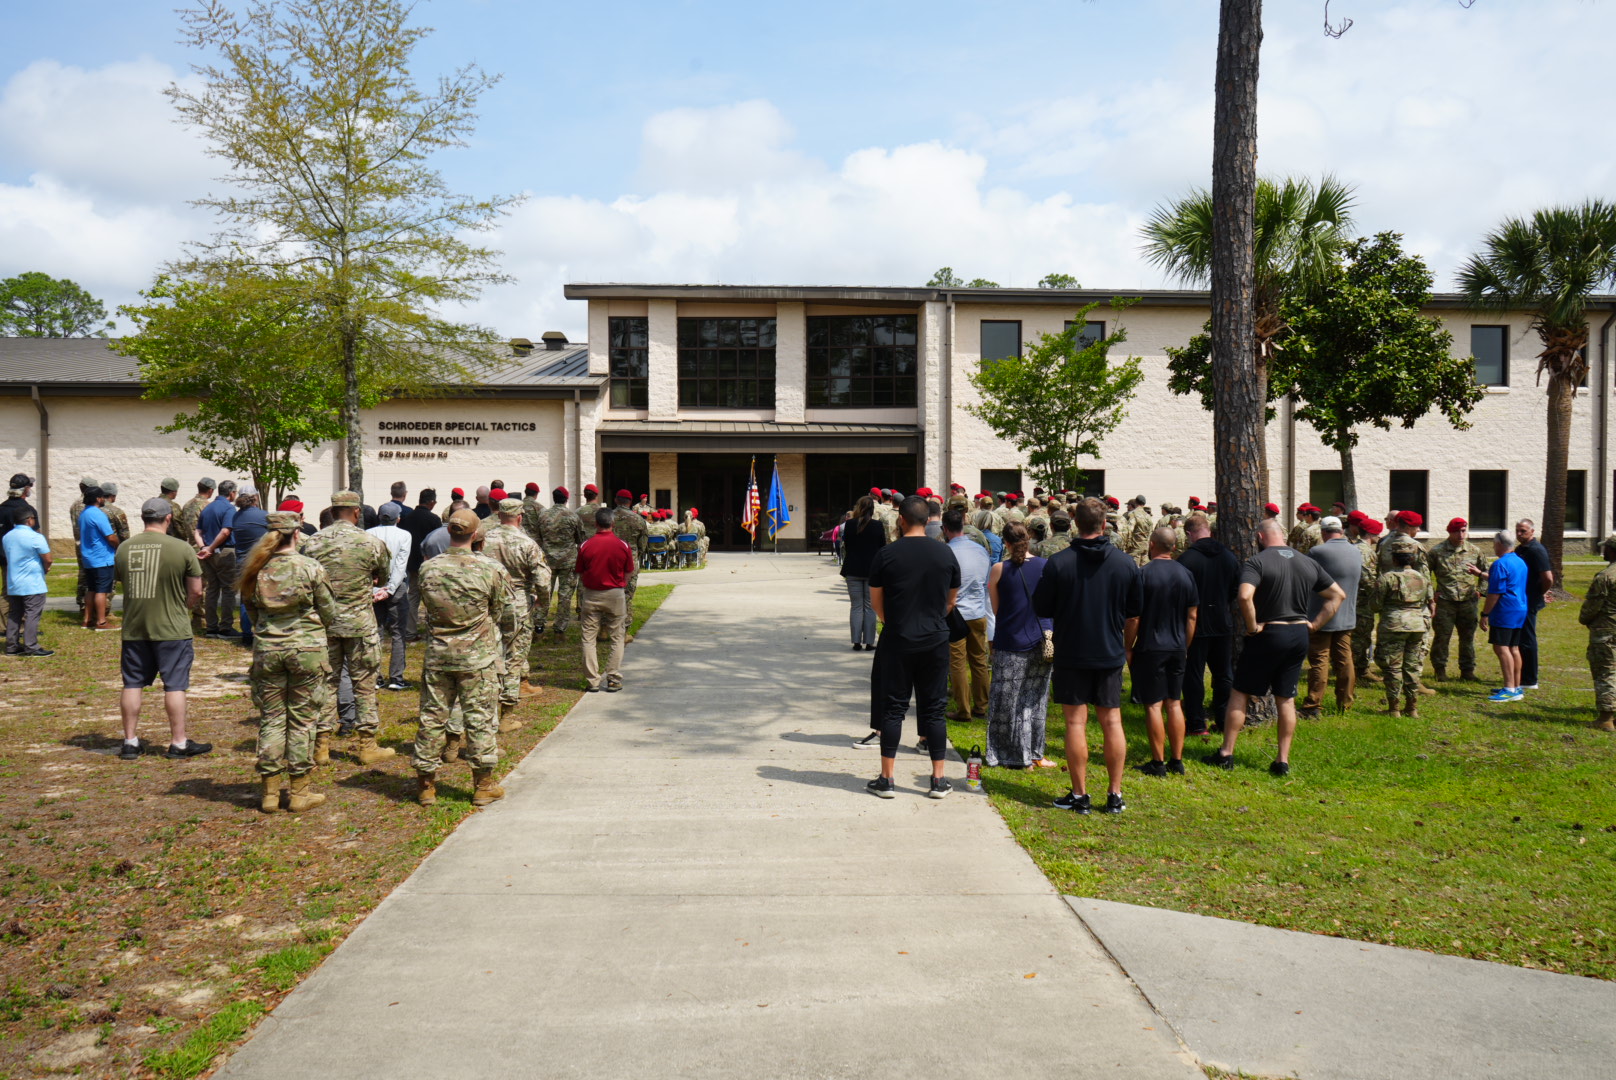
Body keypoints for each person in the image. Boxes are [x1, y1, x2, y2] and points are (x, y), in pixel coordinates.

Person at [1205, 519, 1343, 776]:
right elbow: (1338, 595)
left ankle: (1226, 752)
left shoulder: (1257, 562)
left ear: (1259, 537)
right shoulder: (1307, 562)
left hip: (1270, 633)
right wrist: (1314, 624)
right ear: (1284, 536)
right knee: (1286, 699)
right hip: (1298, 634)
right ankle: (1282, 760)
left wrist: (1252, 625)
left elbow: (1245, 595)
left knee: (1240, 693)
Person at [1032, 496, 1142, 814]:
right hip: (1108, 651)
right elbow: (1134, 615)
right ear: (1104, 524)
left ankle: (1080, 795)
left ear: (1076, 523)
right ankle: (1115, 794)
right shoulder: (1125, 564)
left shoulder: (1060, 562)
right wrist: (1126, 646)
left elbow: (1042, 607)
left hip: (1073, 652)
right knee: (1112, 721)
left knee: (1075, 723)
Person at [412, 509, 515, 807]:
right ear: (476, 534)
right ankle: (483, 785)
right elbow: (506, 614)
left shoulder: (429, 568)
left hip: (438, 655)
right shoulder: (490, 569)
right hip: (477, 657)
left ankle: (426, 785)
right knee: (479, 718)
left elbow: (427, 609)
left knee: (432, 717)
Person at [240, 511, 338, 812]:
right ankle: (299, 792)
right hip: (306, 652)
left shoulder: (256, 569)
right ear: (297, 533)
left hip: (268, 651)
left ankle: (269, 792)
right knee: (303, 720)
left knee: (271, 719)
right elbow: (329, 612)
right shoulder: (310, 568)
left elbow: (251, 612)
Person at [866, 495, 959, 799]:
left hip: (898, 638)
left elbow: (876, 604)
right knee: (934, 710)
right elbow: (950, 601)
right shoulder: (945, 554)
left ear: (901, 520)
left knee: (893, 707)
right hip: (935, 638)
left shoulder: (886, 555)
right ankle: (938, 779)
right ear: (930, 519)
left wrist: (897, 622)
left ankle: (887, 779)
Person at [114, 498, 210, 761]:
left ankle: (130, 741)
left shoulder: (124, 548)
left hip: (135, 626)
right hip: (172, 628)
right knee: (175, 685)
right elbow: (196, 590)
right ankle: (178, 743)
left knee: (132, 683)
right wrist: (185, 607)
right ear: (168, 518)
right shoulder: (181, 548)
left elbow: (123, 581)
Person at [301, 491, 392, 766]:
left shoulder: (313, 543)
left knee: (325, 684)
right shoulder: (370, 543)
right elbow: (383, 577)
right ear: (356, 512)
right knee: (364, 685)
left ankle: (322, 746)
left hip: (324, 625)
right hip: (360, 624)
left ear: (332, 510)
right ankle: (367, 745)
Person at [984, 522, 1055, 769]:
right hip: (1042, 639)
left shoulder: (999, 569)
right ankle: (1035, 752)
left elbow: (996, 608)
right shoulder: (1045, 566)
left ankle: (1009, 752)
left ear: (1006, 542)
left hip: (1010, 639)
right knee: (1035, 700)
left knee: (1006, 702)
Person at [1129, 527, 1198, 775]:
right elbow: (1192, 616)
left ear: (1152, 544)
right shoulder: (1186, 574)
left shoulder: (1143, 574)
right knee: (1174, 702)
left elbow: (1134, 617)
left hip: (1151, 646)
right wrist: (1185, 645)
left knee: (1153, 705)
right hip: (1178, 645)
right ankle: (1177, 760)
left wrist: (1128, 646)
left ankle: (1158, 762)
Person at [482, 497, 550, 704]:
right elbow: (543, 579)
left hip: (489, 600)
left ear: (499, 515)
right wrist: (542, 601)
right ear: (520, 518)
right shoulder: (527, 543)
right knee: (516, 649)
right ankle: (510, 696)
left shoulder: (484, 539)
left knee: (492, 646)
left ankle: (501, 687)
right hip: (518, 600)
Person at [1178, 512, 1237, 736]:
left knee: (1193, 675)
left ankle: (1196, 723)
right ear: (1209, 531)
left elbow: (1181, 594)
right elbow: (1235, 587)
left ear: (1190, 534)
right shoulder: (1228, 557)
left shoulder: (1187, 560)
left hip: (1196, 624)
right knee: (1223, 674)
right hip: (1222, 621)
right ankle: (1223, 720)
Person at [1300, 516, 1362, 717]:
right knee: (1345, 660)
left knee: (1319, 660)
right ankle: (1345, 703)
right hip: (1347, 616)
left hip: (1321, 615)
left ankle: (1313, 704)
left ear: (1323, 532)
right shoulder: (1356, 551)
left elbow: (1305, 578)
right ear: (1341, 531)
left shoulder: (1318, 552)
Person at [576, 506, 635, 693]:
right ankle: (613, 677)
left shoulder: (586, 545)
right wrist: (621, 585)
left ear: (596, 524)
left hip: (592, 594)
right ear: (613, 523)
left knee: (588, 638)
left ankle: (592, 680)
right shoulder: (622, 545)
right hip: (615, 594)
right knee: (617, 637)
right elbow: (629, 571)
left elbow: (580, 570)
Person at [942, 508, 991, 721]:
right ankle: (982, 706)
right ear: (963, 525)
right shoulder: (980, 550)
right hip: (978, 611)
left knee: (958, 663)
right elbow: (986, 580)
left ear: (945, 529)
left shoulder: (945, 552)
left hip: (955, 613)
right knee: (979, 660)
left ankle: (964, 710)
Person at [1373, 549, 1433, 717]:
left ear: (1394, 559)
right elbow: (1429, 600)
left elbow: (1375, 605)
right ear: (1412, 560)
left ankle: (1394, 708)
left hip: (1393, 625)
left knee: (1392, 666)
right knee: (1411, 666)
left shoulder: (1387, 578)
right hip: (1417, 625)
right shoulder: (1422, 578)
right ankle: (1412, 708)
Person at [1428, 517, 1488, 682]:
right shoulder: (1437, 551)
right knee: (1442, 637)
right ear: (1449, 531)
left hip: (1468, 601)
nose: (1461, 535)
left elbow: (1486, 571)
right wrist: (1432, 594)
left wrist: (1480, 591)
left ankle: (1467, 670)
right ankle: (1440, 670)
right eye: (1457, 531)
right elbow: (1425, 574)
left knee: (1467, 637)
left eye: (1463, 530)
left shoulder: (1474, 551)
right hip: (1445, 601)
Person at [367, 503, 413, 691]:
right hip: (396, 588)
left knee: (375, 632)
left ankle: (375, 677)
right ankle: (396, 678)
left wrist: (376, 589)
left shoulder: (368, 534)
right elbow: (401, 564)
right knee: (397, 633)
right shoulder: (404, 535)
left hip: (374, 588)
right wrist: (391, 588)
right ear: (398, 518)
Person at [1481, 531, 1528, 702]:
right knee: (1513, 647)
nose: (1494, 547)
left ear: (1500, 544)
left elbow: (1495, 593)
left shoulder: (1499, 564)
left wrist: (1485, 614)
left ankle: (1509, 688)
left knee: (1501, 648)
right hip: (1520, 608)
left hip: (1505, 610)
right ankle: (1516, 686)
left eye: (1494, 543)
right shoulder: (1520, 561)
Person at [3, 506, 52, 657]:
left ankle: (11, 645)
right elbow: (48, 558)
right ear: (29, 520)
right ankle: (31, 645)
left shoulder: (7, 536)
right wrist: (45, 568)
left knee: (14, 614)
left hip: (13, 581)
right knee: (32, 614)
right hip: (32, 582)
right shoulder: (35, 537)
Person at [1579, 536, 1616, 733]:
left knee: (1606, 671)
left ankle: (1606, 718)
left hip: (1606, 631)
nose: (1604, 552)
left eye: (1606, 548)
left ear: (1612, 551)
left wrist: (1584, 619)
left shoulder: (1605, 577)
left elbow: (1592, 607)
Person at [840, 495, 886, 650]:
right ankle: (869, 642)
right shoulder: (877, 526)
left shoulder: (850, 525)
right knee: (870, 607)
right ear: (872, 510)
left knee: (856, 606)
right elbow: (882, 548)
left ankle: (856, 642)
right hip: (872, 571)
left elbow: (846, 545)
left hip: (852, 569)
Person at [196, 479, 240, 636]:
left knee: (212, 589)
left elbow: (198, 531)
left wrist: (204, 548)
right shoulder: (229, 509)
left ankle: (211, 627)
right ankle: (226, 628)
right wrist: (212, 548)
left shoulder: (207, 508)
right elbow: (226, 531)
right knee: (228, 589)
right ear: (231, 493)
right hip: (225, 552)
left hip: (208, 554)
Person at [1514, 519, 1553, 691]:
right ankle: (1521, 674)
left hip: (1530, 599)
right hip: (1520, 598)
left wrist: (1540, 593)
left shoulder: (1536, 550)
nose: (1519, 534)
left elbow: (1548, 578)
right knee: (1521, 638)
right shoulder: (1521, 549)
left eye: (1523, 530)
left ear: (1532, 531)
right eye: (1517, 531)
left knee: (1528, 639)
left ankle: (1530, 679)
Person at [230, 491, 269, 646]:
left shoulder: (236, 517)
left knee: (245, 599)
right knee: (263, 596)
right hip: (260, 561)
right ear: (256, 499)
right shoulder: (263, 515)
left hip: (241, 561)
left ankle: (246, 634)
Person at [79, 486, 121, 631]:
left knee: (91, 588)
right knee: (101, 590)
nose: (104, 499)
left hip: (88, 557)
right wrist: (118, 546)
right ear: (98, 499)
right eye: (102, 497)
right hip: (102, 557)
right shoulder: (98, 514)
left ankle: (87, 620)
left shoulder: (84, 513)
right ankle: (101, 622)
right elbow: (110, 536)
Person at [610, 489, 649, 609]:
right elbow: (643, 544)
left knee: (610, 591)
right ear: (631, 502)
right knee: (628, 593)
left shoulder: (608, 516)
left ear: (616, 500)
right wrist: (637, 553)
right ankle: (625, 621)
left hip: (610, 558)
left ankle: (610, 618)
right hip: (630, 559)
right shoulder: (638, 519)